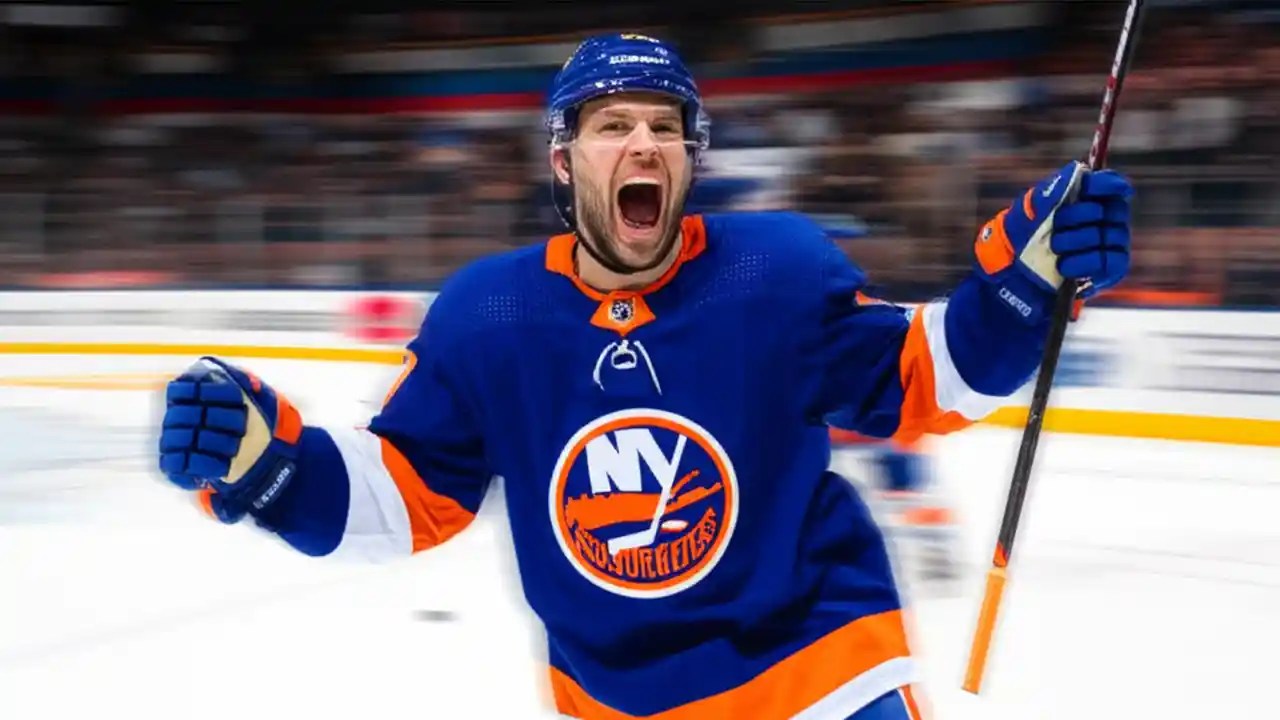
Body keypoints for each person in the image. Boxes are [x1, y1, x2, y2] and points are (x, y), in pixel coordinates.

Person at [156, 33, 1133, 720]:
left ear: (689, 158)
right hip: (618, 699)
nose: (642, 144)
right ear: (562, 159)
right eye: (611, 124)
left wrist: (1021, 288)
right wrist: (266, 471)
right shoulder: (485, 316)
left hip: (820, 671)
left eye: (665, 128)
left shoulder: (775, 273)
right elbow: (401, 500)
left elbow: (932, 379)